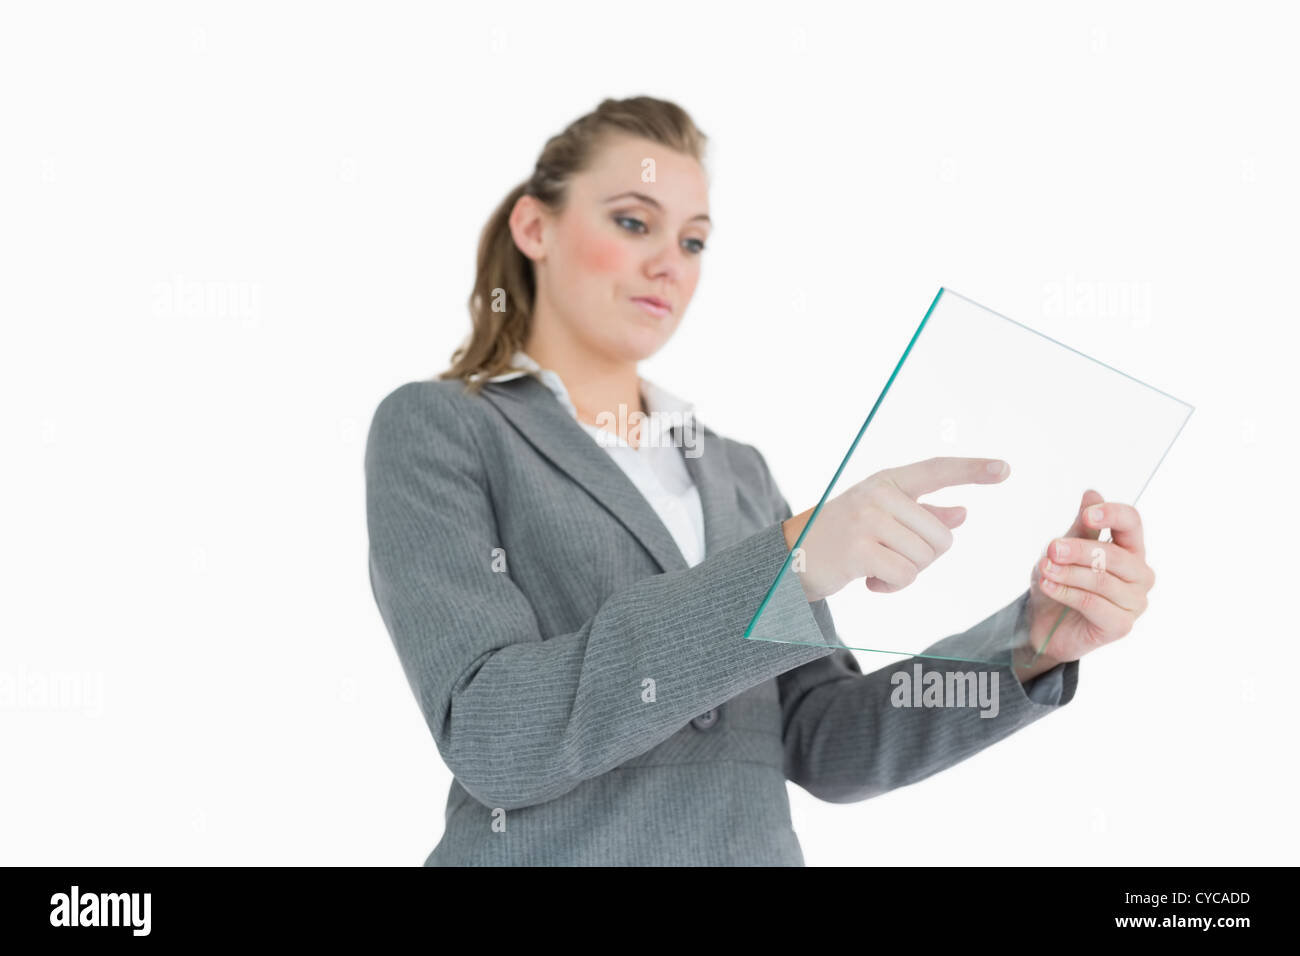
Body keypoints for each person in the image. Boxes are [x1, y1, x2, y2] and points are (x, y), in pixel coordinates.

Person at [364, 96, 1156, 866]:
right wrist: (791, 565)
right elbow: (496, 734)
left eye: (694, 241)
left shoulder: (735, 472)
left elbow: (827, 739)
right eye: (633, 222)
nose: (667, 264)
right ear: (536, 227)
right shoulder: (441, 428)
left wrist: (1029, 644)